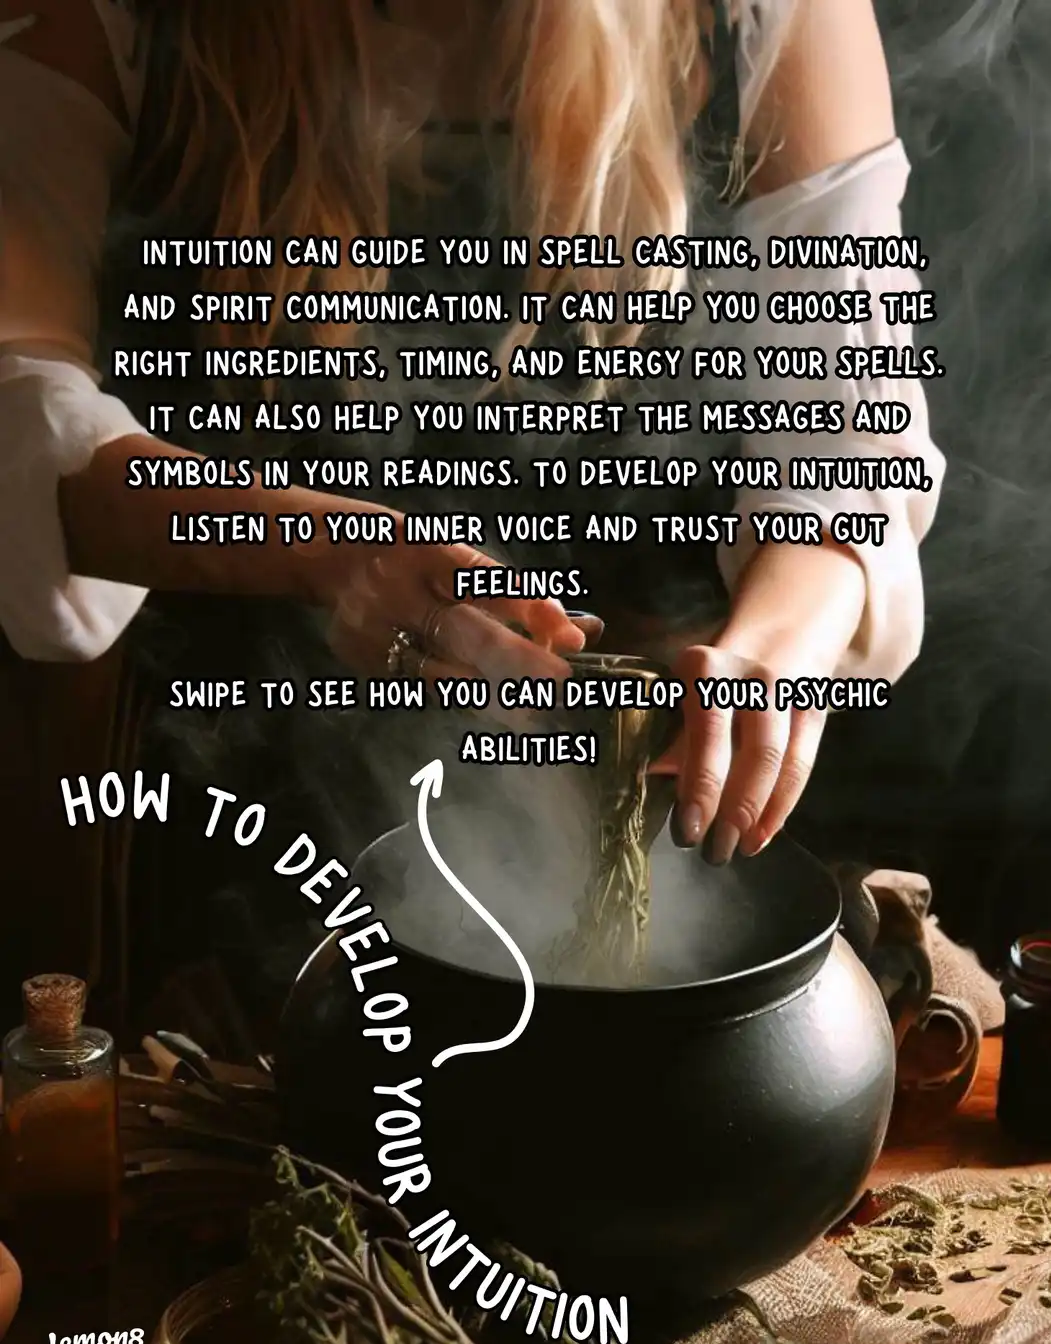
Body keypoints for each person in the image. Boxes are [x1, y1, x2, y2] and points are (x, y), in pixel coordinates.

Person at [0, 0, 942, 875]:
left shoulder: (764, 15)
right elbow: (23, 405)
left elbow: (849, 444)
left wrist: (771, 655)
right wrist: (329, 552)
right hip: (240, 816)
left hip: (661, 830)